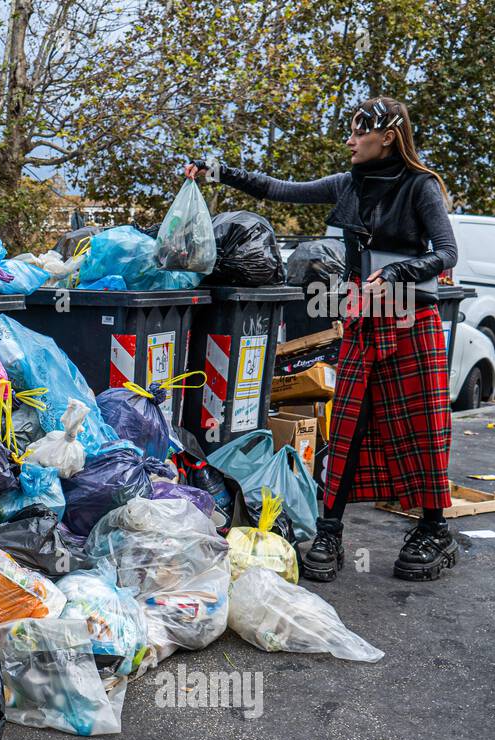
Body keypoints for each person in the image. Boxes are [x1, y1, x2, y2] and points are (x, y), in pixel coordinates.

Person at [185, 96, 459, 582]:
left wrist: (398, 270)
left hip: (412, 319)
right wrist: (218, 172)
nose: (350, 141)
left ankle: (435, 529)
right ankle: (330, 530)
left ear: (388, 136)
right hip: (366, 320)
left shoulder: (422, 187)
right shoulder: (348, 185)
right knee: (349, 425)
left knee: (421, 427)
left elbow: (446, 252)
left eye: (359, 132)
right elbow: (278, 190)